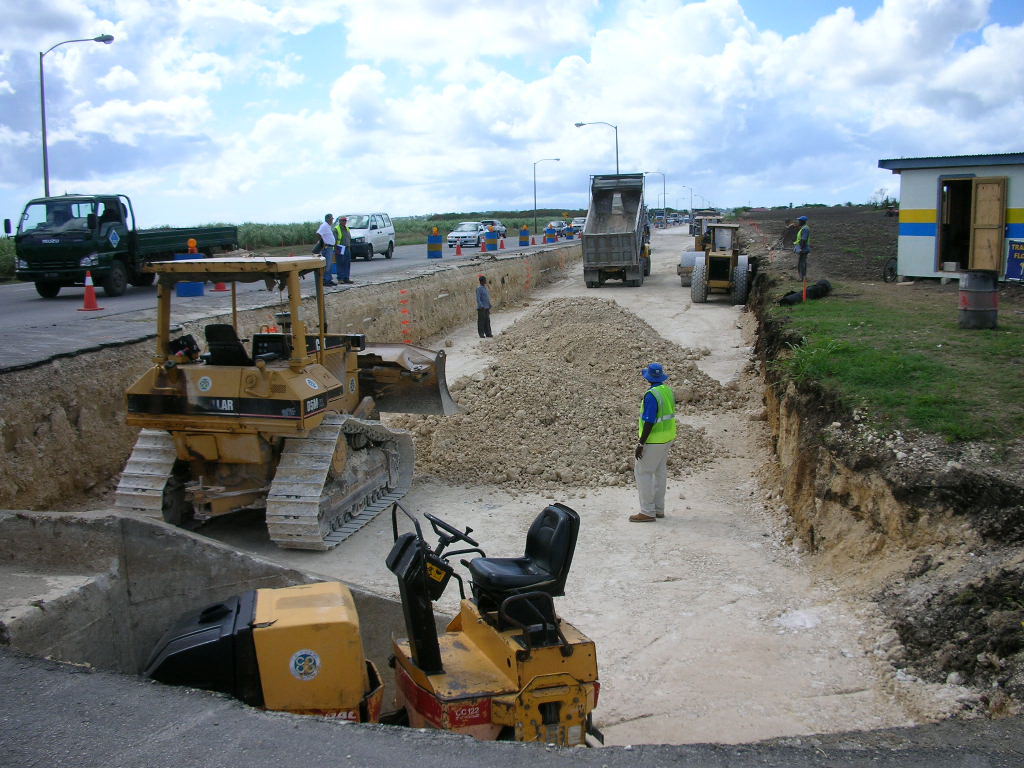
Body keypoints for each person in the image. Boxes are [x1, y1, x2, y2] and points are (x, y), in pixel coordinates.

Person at [630, 362, 676, 523]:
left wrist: (641, 444)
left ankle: (647, 511)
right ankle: (658, 508)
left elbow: (649, 421)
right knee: (659, 471)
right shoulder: (667, 391)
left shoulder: (651, 395)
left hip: (654, 440)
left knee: (643, 472)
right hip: (667, 437)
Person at [317, 213, 337, 287]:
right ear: (328, 219)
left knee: (330, 264)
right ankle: (325, 280)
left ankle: (328, 279)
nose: (332, 220)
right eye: (331, 219)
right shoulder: (324, 226)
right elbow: (318, 234)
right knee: (327, 265)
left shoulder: (328, 226)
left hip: (330, 247)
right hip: (327, 248)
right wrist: (322, 243)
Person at [334, 215, 354, 284]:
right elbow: (335, 240)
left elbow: (349, 237)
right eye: (343, 220)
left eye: (345, 220)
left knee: (347, 263)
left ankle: (346, 278)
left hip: (347, 247)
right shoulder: (336, 229)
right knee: (340, 263)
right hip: (339, 247)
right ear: (340, 221)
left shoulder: (347, 228)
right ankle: (340, 278)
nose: (345, 222)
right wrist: (336, 248)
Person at [793, 215, 810, 281]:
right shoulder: (803, 228)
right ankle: (802, 277)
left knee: (802, 263)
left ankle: (802, 278)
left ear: (802, 221)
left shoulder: (805, 229)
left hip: (804, 248)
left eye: (799, 221)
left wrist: (800, 248)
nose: (798, 222)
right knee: (801, 262)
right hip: (803, 247)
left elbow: (803, 240)